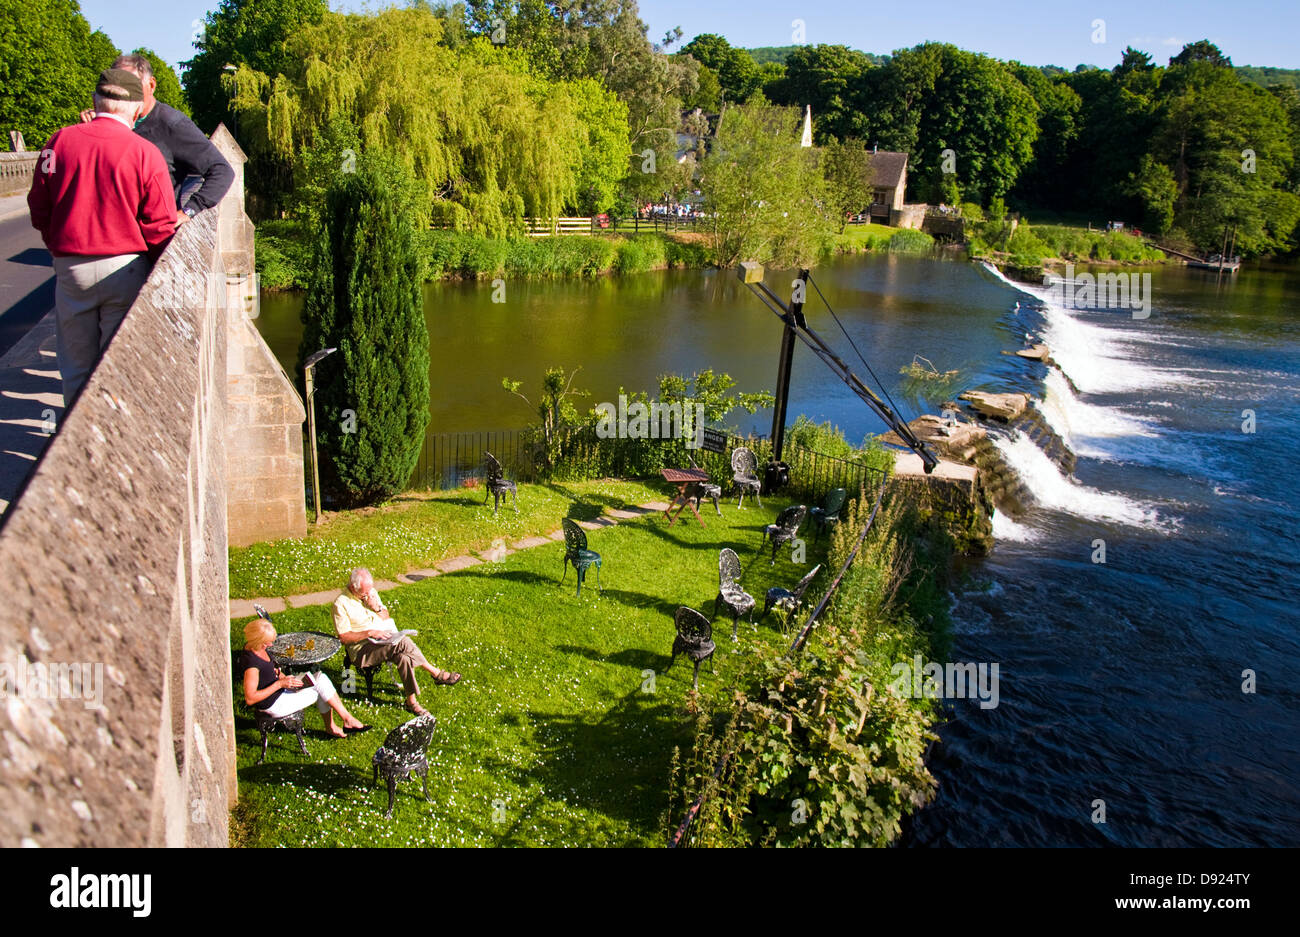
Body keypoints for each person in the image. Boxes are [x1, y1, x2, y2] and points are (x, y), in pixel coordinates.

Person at [28, 68, 177, 402]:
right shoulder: (145, 153)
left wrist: (58, 247)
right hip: (126, 270)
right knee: (116, 367)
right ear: (137, 109)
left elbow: (38, 205)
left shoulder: (60, 141)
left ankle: (72, 440)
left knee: (76, 369)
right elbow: (161, 225)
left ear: (96, 102)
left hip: (71, 270)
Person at [82, 54, 234, 226]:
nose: (125, 94)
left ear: (151, 85)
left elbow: (222, 170)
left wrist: (187, 211)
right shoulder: (107, 121)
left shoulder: (172, 124)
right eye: (118, 87)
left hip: (148, 239)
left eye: (133, 87)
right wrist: (93, 130)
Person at [332, 567, 462, 717]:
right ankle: (436, 673)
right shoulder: (341, 604)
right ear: (353, 587)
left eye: (369, 591)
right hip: (362, 650)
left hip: (381, 639)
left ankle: (411, 702)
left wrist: (376, 607)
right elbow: (343, 637)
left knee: (403, 657)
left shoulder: (370, 593)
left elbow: (386, 616)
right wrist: (369, 632)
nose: (367, 595)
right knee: (402, 642)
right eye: (364, 593)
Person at [240, 619, 370, 737]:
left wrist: (282, 676)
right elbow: (250, 698)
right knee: (321, 689)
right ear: (257, 640)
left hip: (280, 691)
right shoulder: (252, 665)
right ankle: (342, 722)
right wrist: (279, 684)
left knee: (320, 678)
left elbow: (266, 672)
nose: (270, 645)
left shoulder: (256, 648)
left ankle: (344, 720)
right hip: (274, 704)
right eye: (267, 642)